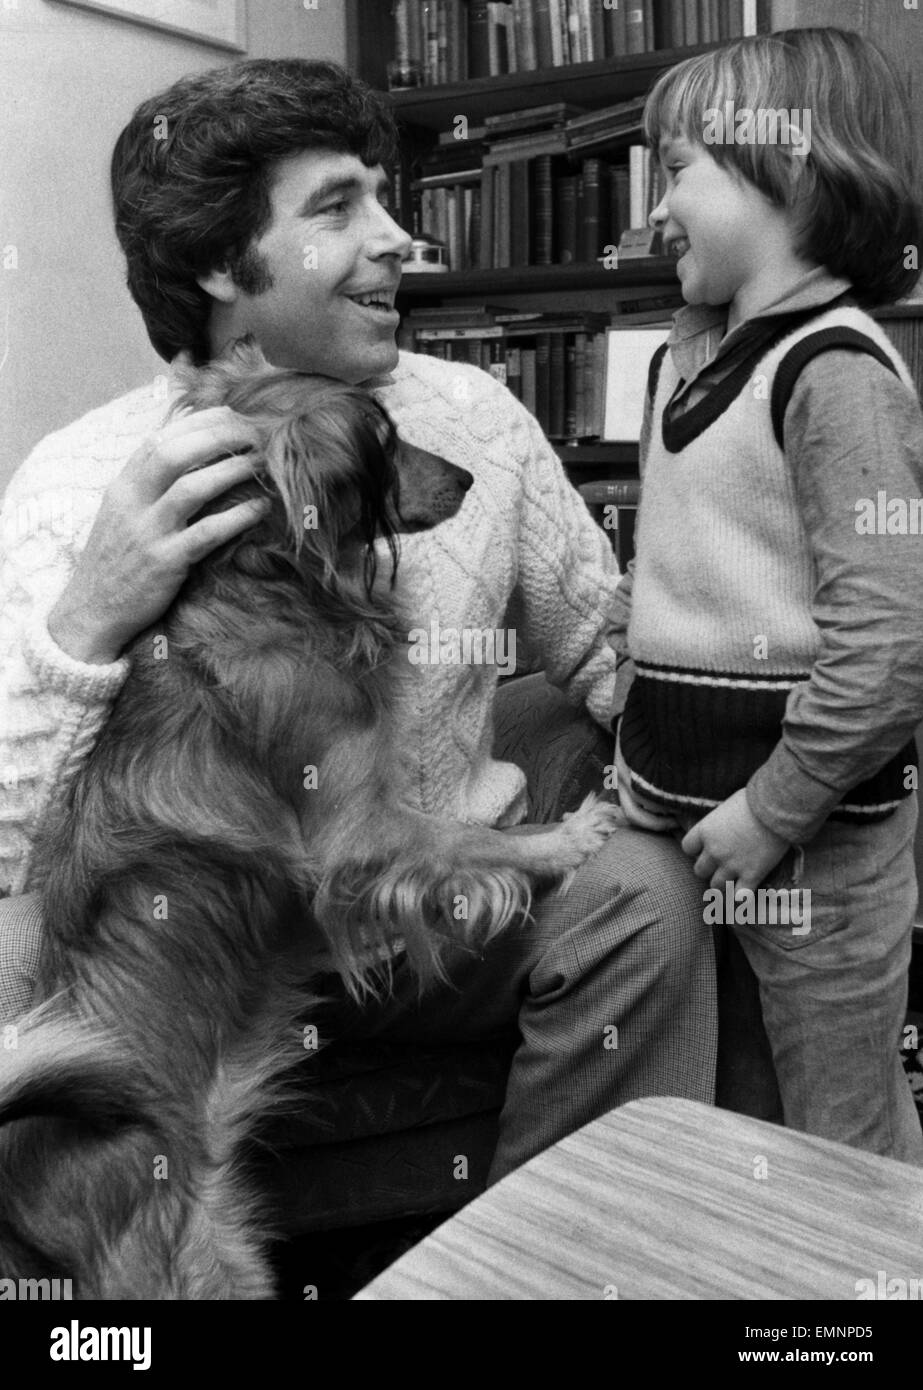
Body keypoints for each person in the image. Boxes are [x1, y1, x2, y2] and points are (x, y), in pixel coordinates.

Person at [0, 58, 717, 1183]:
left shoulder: (473, 414)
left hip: (438, 910)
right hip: (220, 953)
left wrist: (781, 750)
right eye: (339, 207)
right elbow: (13, 857)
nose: (402, 239)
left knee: (650, 892)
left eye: (385, 195)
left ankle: (560, 1251)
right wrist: (90, 615)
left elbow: (598, 647)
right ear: (212, 262)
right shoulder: (71, 485)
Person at [610, 28, 923, 1163]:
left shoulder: (832, 377)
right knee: (746, 1115)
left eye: (677, 169)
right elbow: (663, 592)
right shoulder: (685, 362)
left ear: (785, 170)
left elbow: (887, 650)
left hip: (812, 846)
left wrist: (770, 811)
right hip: (708, 836)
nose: (653, 211)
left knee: (838, 1145)